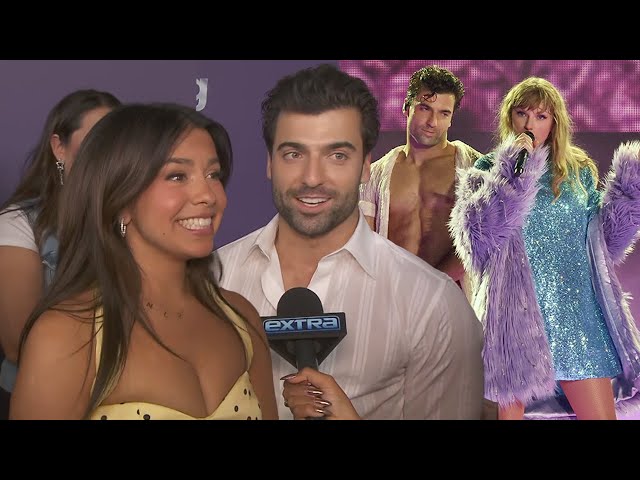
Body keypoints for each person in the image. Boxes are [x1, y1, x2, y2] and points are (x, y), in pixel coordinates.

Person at [217, 63, 485, 420]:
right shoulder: (213, 278)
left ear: (362, 164)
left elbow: (483, 238)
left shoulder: (472, 169)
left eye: (337, 155)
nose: (313, 177)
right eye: (294, 154)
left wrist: (423, 289)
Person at [10, 103, 279, 420]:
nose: (208, 195)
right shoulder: (66, 335)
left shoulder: (242, 318)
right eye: (177, 176)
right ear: (120, 201)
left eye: (213, 174)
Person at [450, 76, 640, 420]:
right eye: (522, 113)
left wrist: (628, 195)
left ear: (554, 122)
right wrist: (514, 171)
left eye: (541, 116)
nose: (530, 124)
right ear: (510, 118)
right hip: (516, 316)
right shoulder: (489, 168)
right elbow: (477, 240)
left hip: (576, 316)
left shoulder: (578, 171)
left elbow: (601, 247)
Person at [0, 89, 121, 419]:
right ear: (59, 147)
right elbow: (18, 344)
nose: (106, 151)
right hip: (45, 396)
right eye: (96, 138)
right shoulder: (18, 223)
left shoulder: (136, 218)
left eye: (115, 139)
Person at [359, 65, 482, 285]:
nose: (432, 122)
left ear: (451, 119)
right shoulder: (375, 175)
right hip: (394, 295)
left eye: (444, 113)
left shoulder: (475, 168)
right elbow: (365, 247)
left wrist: (430, 288)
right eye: (425, 108)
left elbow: (480, 240)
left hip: (452, 297)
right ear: (407, 108)